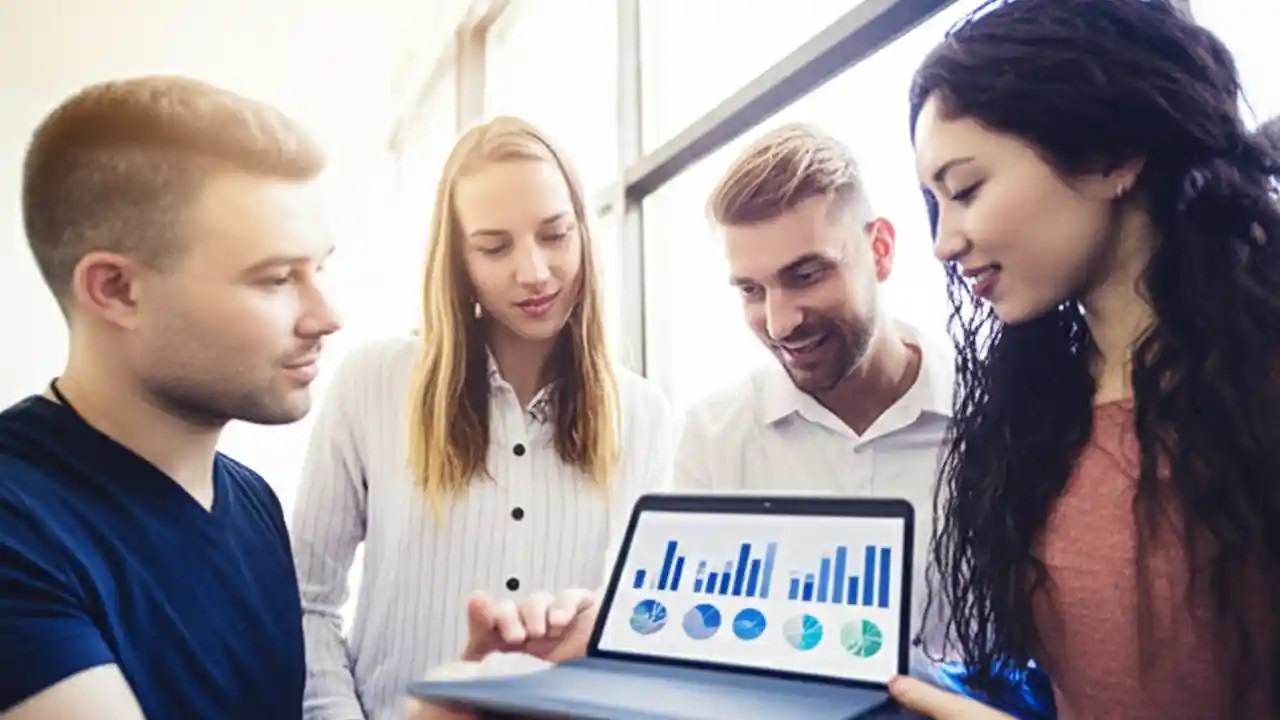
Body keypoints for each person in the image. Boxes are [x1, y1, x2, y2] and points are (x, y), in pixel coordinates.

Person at [410, 124, 1054, 719]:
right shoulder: (713, 436)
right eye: (750, 290)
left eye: (806, 275)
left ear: (880, 249)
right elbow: (668, 653)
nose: (780, 322)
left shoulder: (1002, 418)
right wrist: (602, 632)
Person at [891, 0, 1280, 718]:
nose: (945, 242)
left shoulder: (1260, 389)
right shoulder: (1040, 416)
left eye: (967, 189)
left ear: (1111, 155)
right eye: (934, 204)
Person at [291, 116, 676, 720]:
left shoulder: (644, 415)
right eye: (494, 247)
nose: (534, 272)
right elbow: (306, 604)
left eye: (554, 235)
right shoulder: (373, 383)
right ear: (459, 260)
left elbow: (646, 626)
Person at [0, 76, 341, 719]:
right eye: (276, 279)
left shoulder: (252, 502)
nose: (327, 315)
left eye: (319, 269)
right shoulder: (17, 526)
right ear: (118, 290)